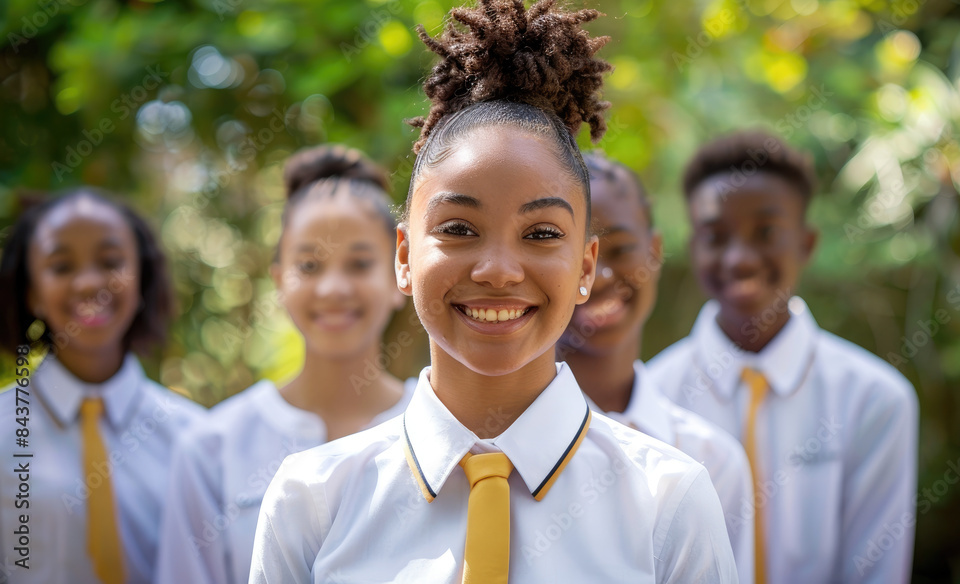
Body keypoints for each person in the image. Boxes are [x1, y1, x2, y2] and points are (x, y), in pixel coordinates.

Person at [249, 1, 737, 582]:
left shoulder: (668, 502)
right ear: (403, 258)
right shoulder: (311, 503)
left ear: (586, 267)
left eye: (540, 233)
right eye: (458, 229)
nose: (499, 270)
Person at [648, 130, 919, 583]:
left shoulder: (875, 400)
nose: (739, 258)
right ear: (693, 248)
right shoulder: (653, 399)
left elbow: (876, 571)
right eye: (715, 236)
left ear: (807, 244)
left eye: (766, 232)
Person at [155, 144, 415, 584]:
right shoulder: (211, 449)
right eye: (310, 264)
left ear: (399, 275)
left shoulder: (443, 432)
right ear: (279, 282)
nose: (333, 288)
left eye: (359, 263)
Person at [558, 151, 755, 583]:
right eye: (571, 249)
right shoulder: (494, 449)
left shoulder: (711, 461)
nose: (600, 273)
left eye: (622, 248)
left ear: (656, 251)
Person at [0, 188, 204, 584]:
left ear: (141, 278)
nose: (89, 282)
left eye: (111, 262)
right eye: (61, 266)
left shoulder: (196, 438)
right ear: (32, 293)